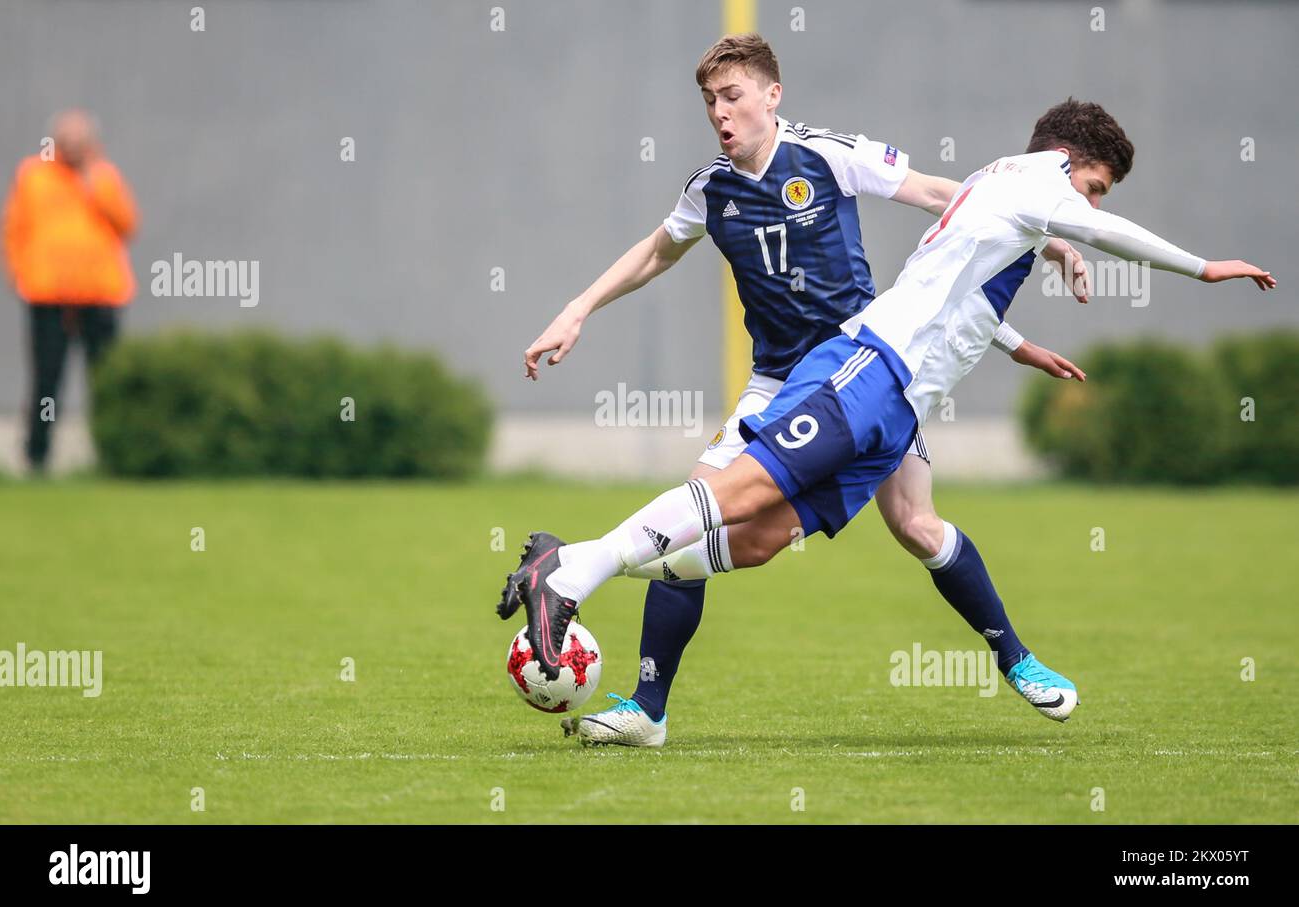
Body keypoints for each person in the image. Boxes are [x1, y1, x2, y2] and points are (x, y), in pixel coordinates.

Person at [502, 97, 1275, 740]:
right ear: (1067, 162)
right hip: (858, 370)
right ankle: (579, 585)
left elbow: (949, 283)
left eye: (732, 97)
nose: (1093, 206)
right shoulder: (1037, 184)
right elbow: (1103, 232)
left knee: (767, 538)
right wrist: (1204, 268)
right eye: (1095, 186)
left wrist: (1020, 337)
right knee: (733, 494)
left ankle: (573, 564)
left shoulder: (1008, 189)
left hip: (898, 401)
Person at [3, 109, 138, 474]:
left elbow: (127, 224)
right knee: (47, 378)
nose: (74, 148)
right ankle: (37, 456)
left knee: (106, 378)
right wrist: (20, 275)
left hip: (99, 295)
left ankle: (114, 455)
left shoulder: (103, 177)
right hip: (49, 296)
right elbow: (15, 230)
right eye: (67, 142)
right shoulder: (34, 177)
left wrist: (94, 186)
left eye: (81, 142)